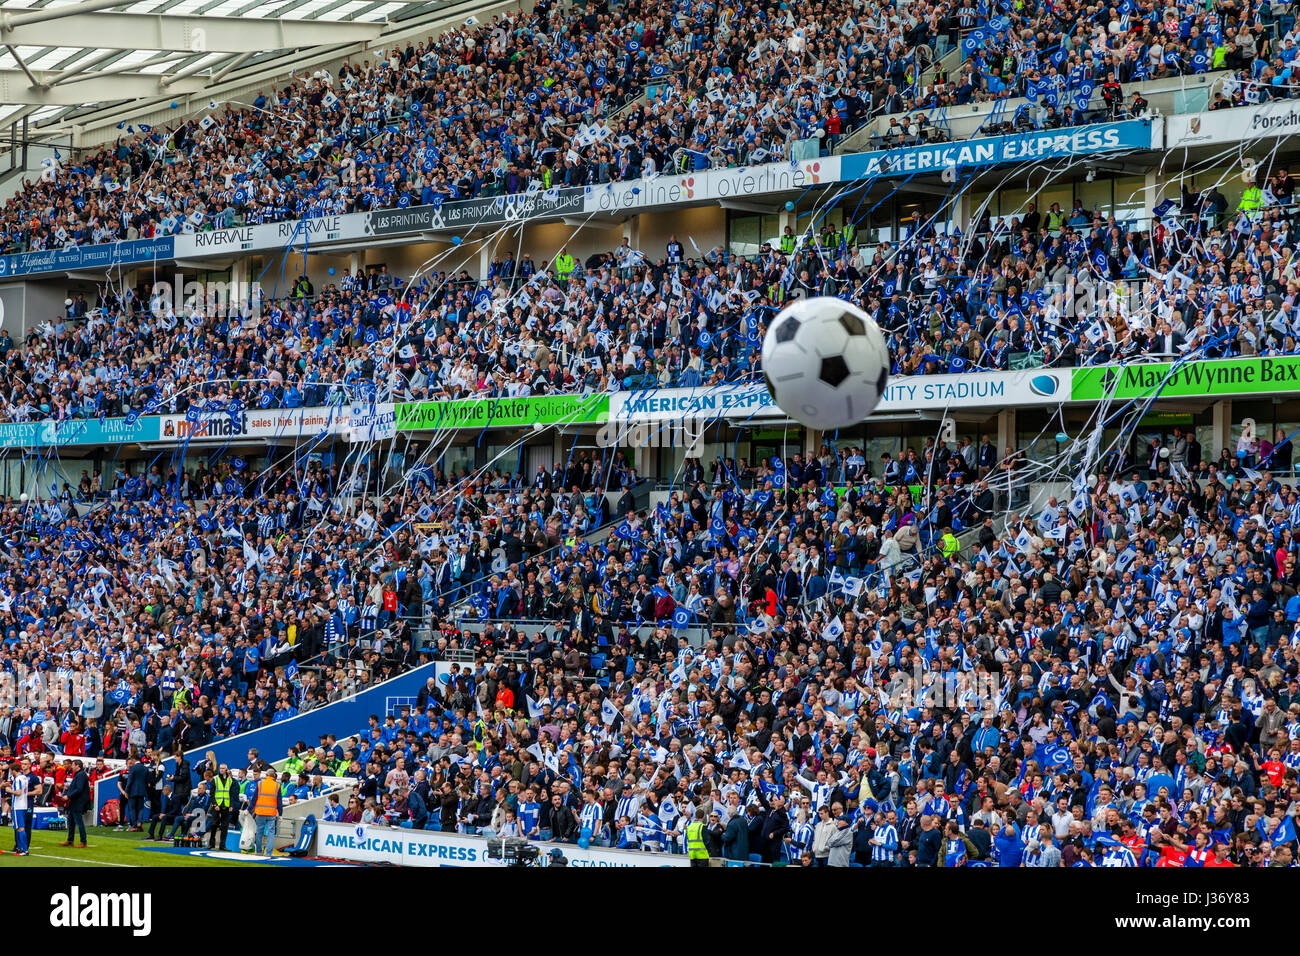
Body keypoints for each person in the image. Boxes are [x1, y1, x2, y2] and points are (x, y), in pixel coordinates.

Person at [251, 766, 282, 854]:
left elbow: (254, 799)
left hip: (260, 812)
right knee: (271, 833)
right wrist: (280, 815)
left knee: (259, 832)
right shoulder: (277, 786)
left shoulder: (260, 784)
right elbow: (279, 802)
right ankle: (268, 853)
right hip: (271, 813)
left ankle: (259, 852)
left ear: (267, 775)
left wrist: (248, 809)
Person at [5, 757, 31, 855]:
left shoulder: (18, 779)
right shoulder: (24, 777)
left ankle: (24, 849)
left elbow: (19, 792)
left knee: (20, 827)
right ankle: (20, 848)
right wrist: (11, 787)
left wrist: (9, 790)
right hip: (24, 804)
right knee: (19, 827)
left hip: (18, 805)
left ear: (13, 770)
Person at [61, 759, 90, 847]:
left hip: (78, 802)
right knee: (71, 822)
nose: (71, 766)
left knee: (79, 822)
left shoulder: (81, 775)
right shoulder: (79, 774)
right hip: (74, 801)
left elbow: (79, 789)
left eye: (73, 765)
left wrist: (68, 796)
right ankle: (70, 840)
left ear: (77, 766)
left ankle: (83, 841)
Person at [210, 763, 237, 850]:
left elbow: (232, 794)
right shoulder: (215, 779)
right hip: (217, 805)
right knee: (214, 824)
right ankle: (211, 844)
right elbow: (212, 794)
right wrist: (215, 804)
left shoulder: (230, 780)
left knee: (225, 826)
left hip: (226, 805)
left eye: (223, 768)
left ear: (226, 769)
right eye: (220, 768)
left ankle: (222, 845)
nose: (221, 770)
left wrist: (231, 804)